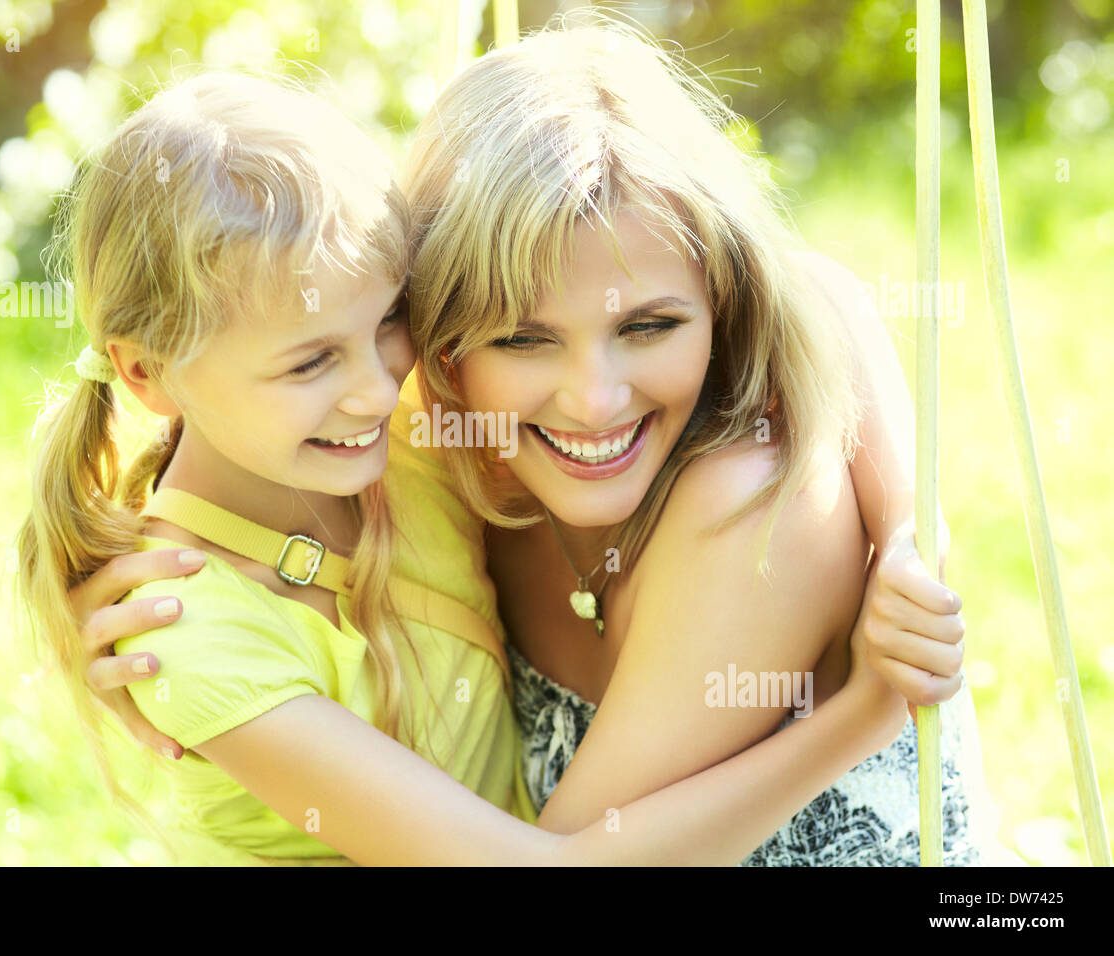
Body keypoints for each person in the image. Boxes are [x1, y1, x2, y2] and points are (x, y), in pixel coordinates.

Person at [53, 32, 974, 865]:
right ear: (447, 337)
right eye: (524, 339)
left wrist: (905, 536)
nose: (595, 400)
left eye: (649, 325)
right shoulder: (430, 453)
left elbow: (817, 287)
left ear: (727, 294)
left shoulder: (757, 507)